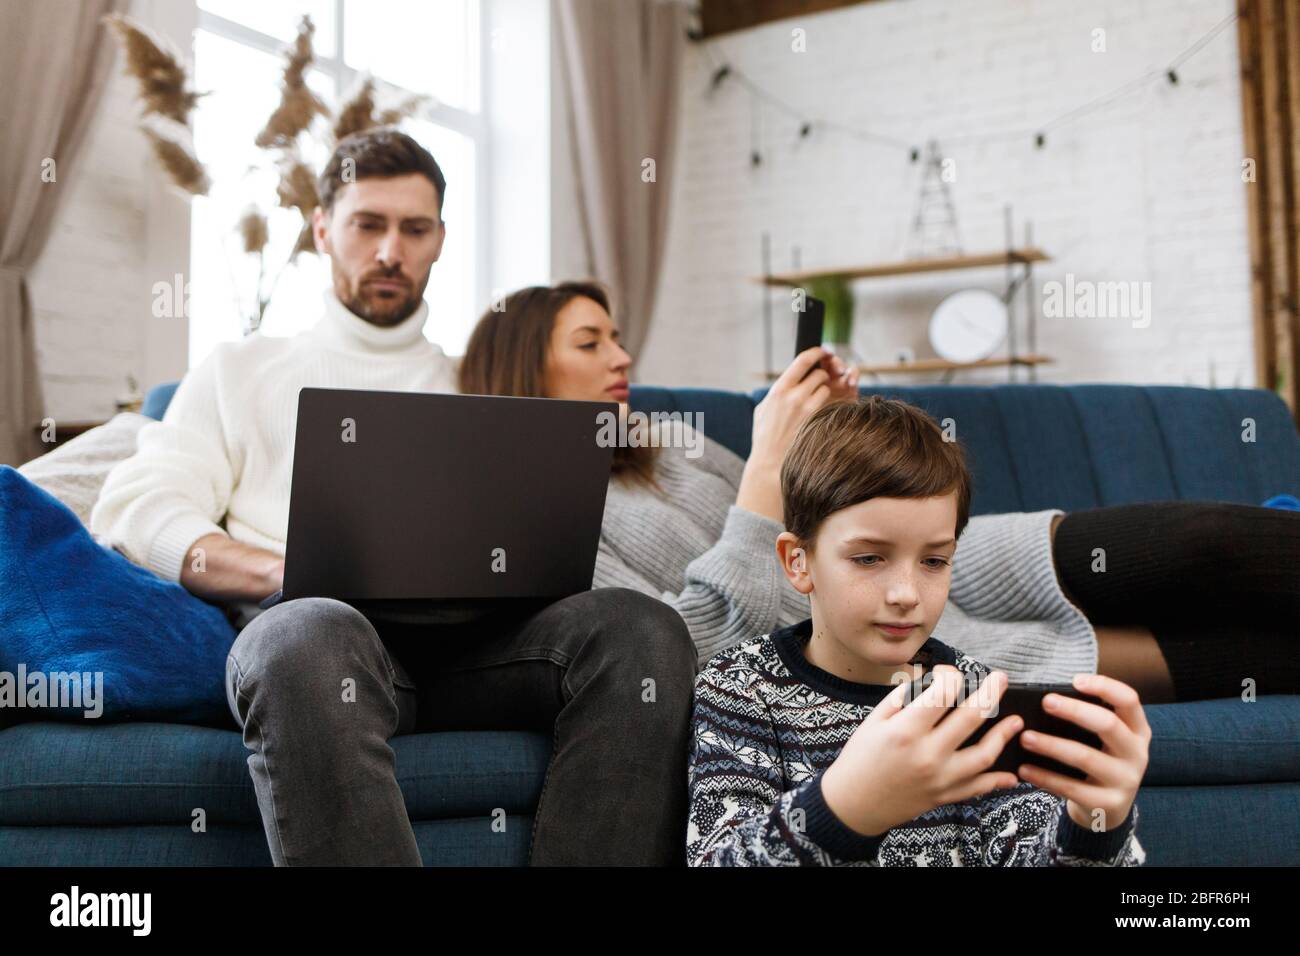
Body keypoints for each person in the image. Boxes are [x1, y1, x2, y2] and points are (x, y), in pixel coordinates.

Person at [90, 129, 696, 866]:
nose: (390, 252)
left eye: (414, 229)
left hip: (482, 655)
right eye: (367, 225)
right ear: (322, 230)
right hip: (328, 649)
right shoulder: (240, 370)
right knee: (298, 635)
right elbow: (137, 510)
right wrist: (283, 571)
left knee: (643, 629)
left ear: (440, 239)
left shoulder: (479, 379)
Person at [458, 281, 1300, 703]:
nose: (621, 357)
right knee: (1239, 654)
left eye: (616, 335)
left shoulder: (661, 441)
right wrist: (765, 472)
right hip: (875, 628)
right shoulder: (522, 513)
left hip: (942, 562)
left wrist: (828, 441)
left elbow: (813, 502)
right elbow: (682, 652)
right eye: (591, 340)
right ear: (522, 362)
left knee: (1212, 547)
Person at [687, 396, 1149, 866]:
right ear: (798, 561)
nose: (906, 593)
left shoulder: (976, 697)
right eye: (869, 558)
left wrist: (1096, 826)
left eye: (933, 561)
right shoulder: (740, 688)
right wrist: (845, 810)